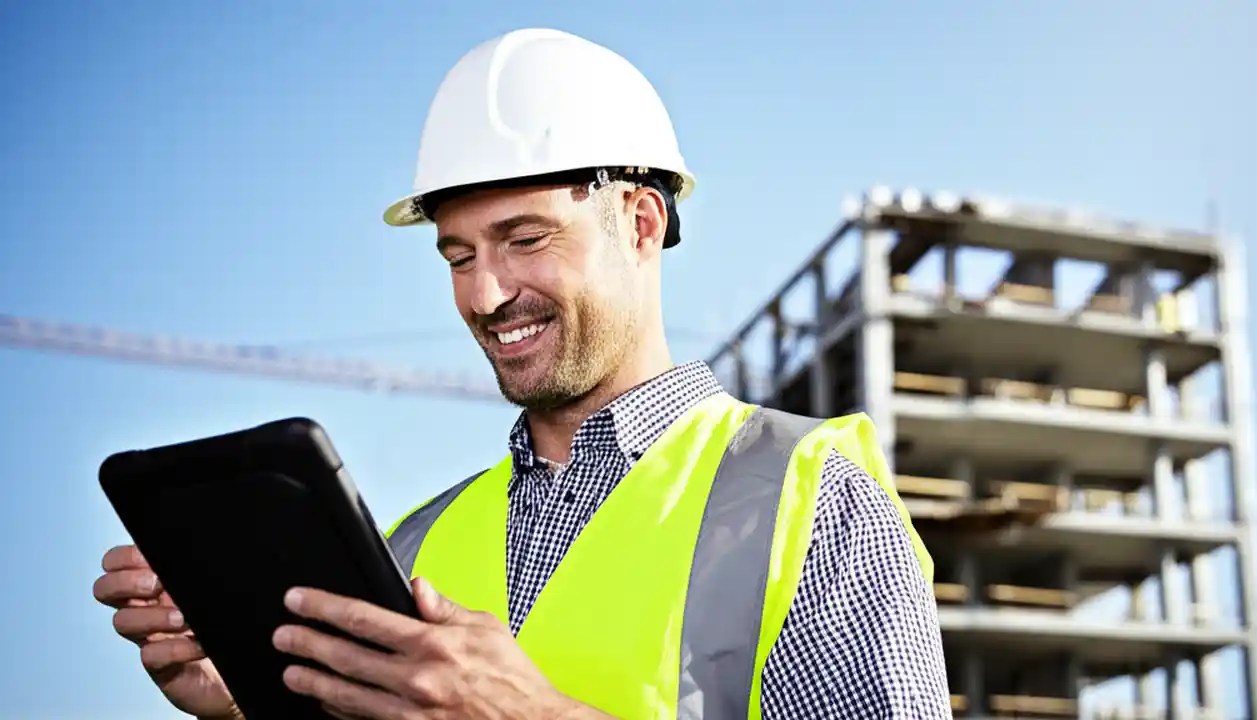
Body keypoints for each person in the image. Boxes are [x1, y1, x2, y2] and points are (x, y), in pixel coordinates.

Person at [92, 27, 951, 719]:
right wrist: (251, 700)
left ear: (641, 222)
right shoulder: (408, 547)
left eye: (525, 240)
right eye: (458, 255)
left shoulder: (809, 500)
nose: (486, 293)